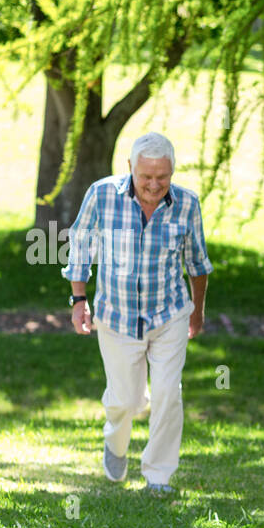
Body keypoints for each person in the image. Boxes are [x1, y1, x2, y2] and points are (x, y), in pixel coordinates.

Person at [63, 131, 213, 496]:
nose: (154, 185)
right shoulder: (102, 194)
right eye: (146, 176)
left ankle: (158, 474)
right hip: (116, 316)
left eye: (162, 177)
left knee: (167, 392)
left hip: (170, 313)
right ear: (130, 167)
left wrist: (197, 312)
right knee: (125, 400)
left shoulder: (187, 204)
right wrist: (78, 300)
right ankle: (115, 443)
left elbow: (197, 264)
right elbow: (80, 246)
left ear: (172, 171)